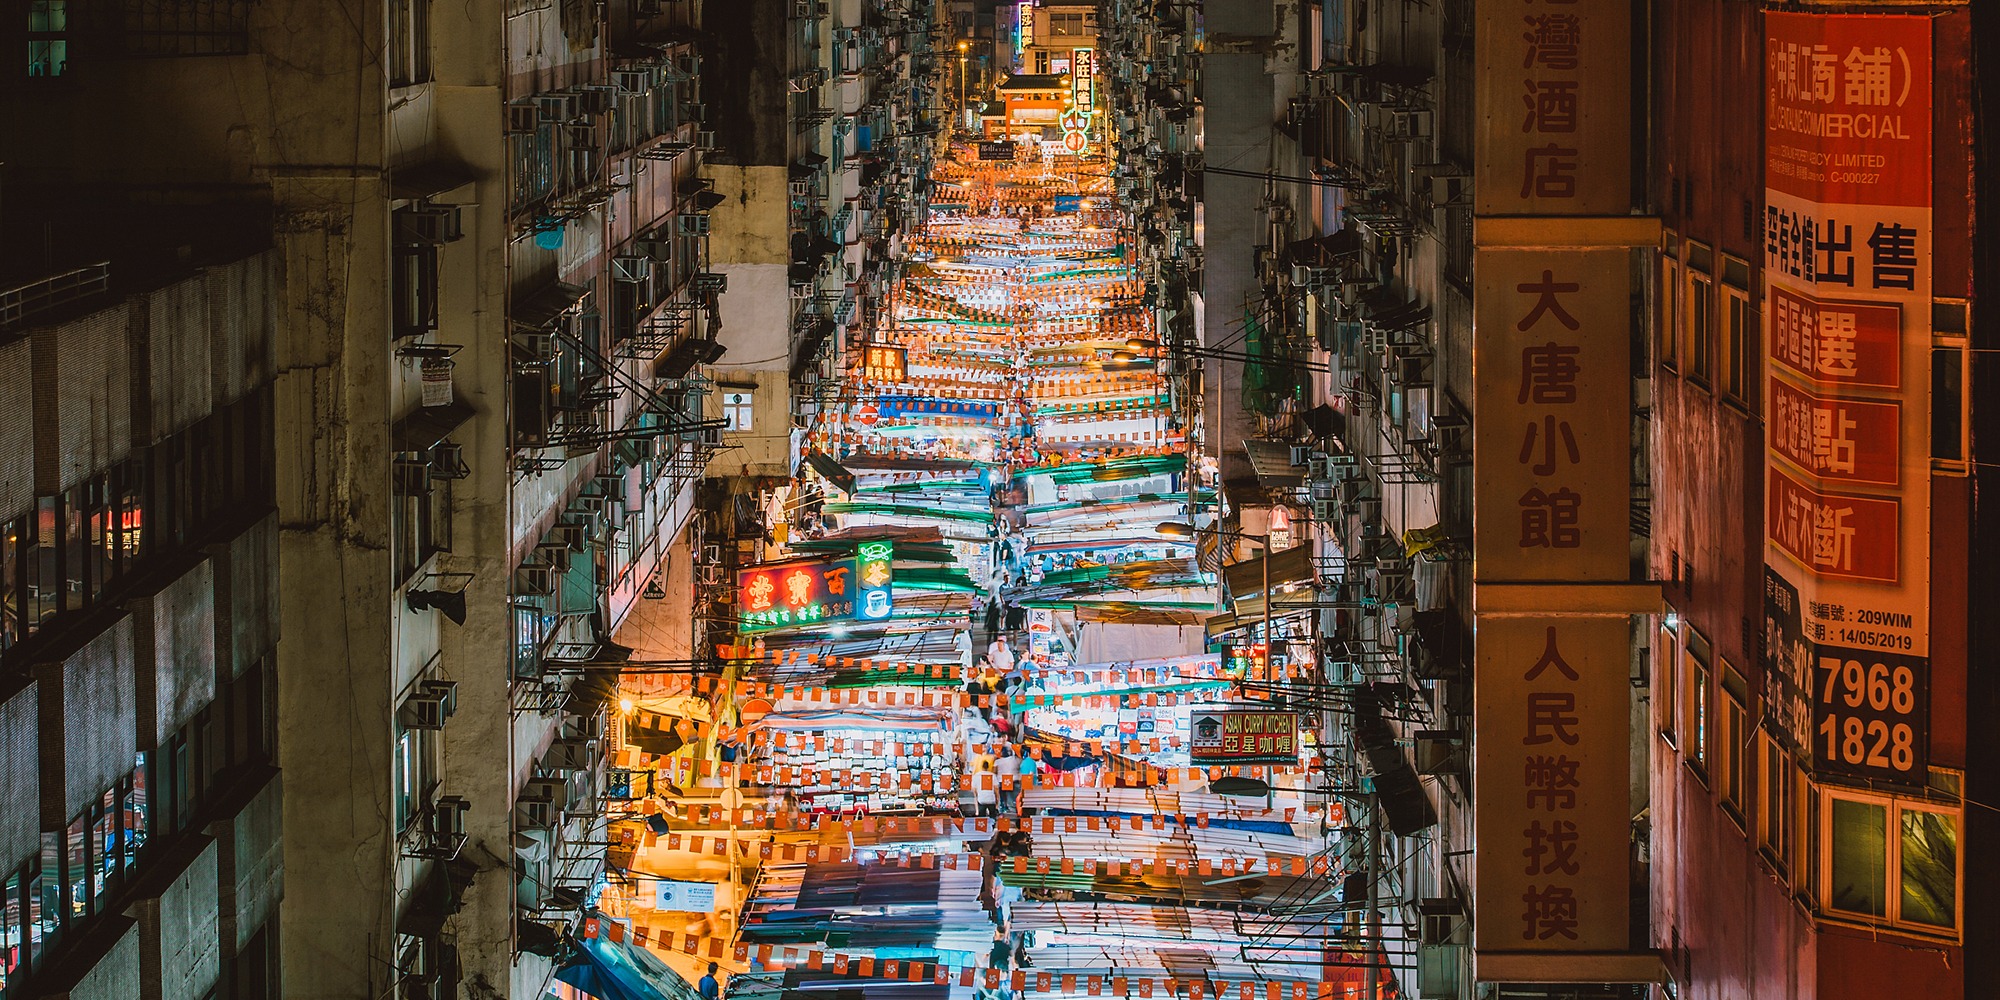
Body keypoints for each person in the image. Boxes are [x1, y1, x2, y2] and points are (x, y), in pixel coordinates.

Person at [994, 744, 1022, 815]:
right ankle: (1015, 811)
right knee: (1014, 799)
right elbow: (1021, 764)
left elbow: (994, 771)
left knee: (1003, 798)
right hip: (1014, 780)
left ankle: (1004, 808)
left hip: (1001, 781)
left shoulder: (998, 761)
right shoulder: (1015, 759)